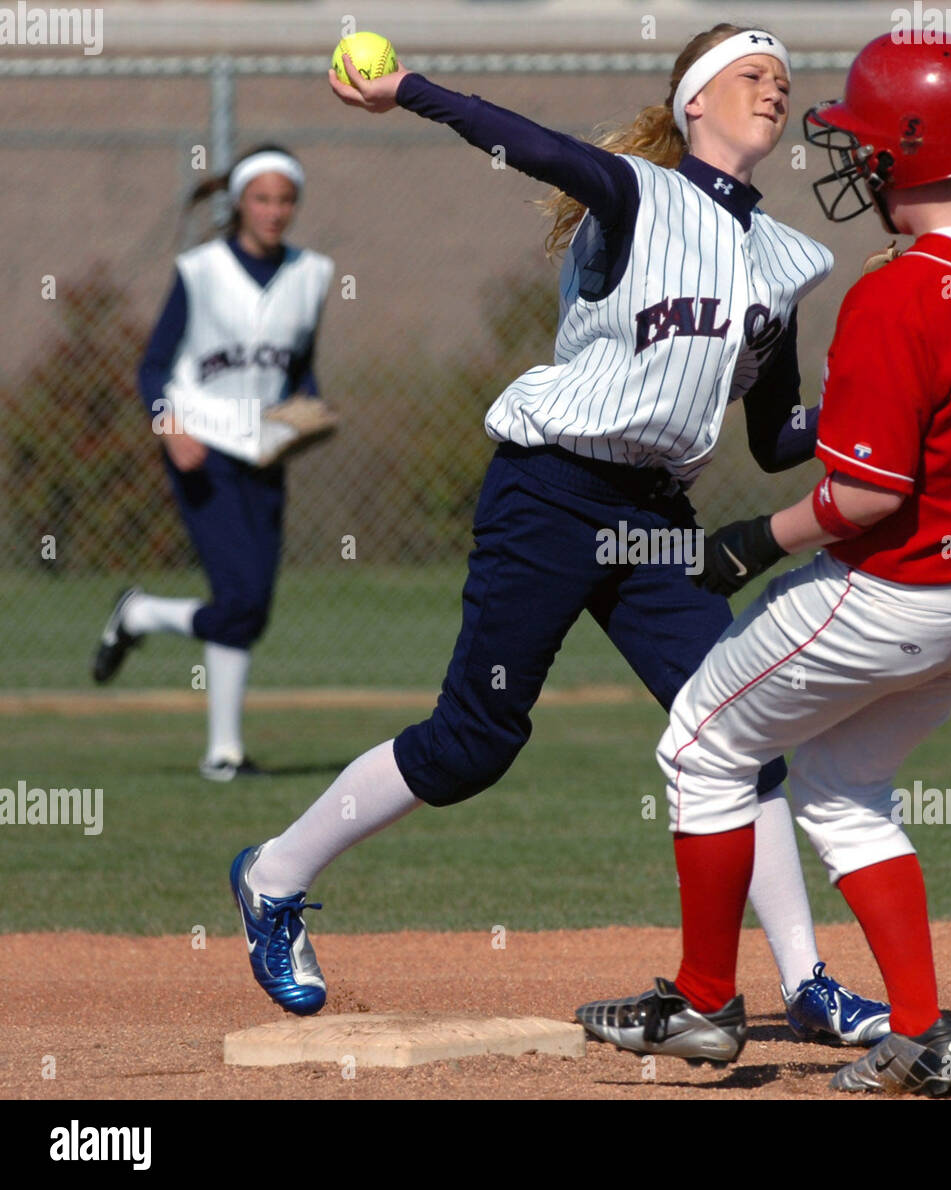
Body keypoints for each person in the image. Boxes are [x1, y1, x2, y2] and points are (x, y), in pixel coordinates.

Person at [228, 24, 891, 1044]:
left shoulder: (785, 258)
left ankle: (807, 982)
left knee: (741, 724)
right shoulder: (635, 191)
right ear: (695, 103)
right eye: (753, 76)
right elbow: (523, 140)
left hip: (652, 517)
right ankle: (273, 876)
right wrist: (408, 87)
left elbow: (772, 439)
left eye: (783, 80)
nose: (776, 91)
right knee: (472, 743)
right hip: (549, 493)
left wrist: (879, 406)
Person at [575, 32, 951, 1092]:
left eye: (868, 145)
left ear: (906, 151)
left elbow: (868, 495)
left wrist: (745, 542)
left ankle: (701, 1000)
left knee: (699, 745)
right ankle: (921, 1033)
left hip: (891, 589)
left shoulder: (898, 289)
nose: (855, 162)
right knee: (841, 785)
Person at [92, 146, 334, 782]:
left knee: (251, 608)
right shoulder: (201, 269)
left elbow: (299, 364)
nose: (275, 211)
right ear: (239, 203)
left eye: (285, 200)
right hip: (201, 445)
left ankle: (222, 751)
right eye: (262, 198)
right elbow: (152, 367)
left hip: (264, 451)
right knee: (242, 597)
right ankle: (141, 618)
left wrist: (310, 408)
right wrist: (168, 427)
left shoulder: (311, 273)